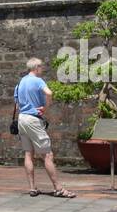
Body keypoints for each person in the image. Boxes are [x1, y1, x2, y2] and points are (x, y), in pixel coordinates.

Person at [12, 58, 75, 198]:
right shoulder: (38, 81)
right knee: (47, 154)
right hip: (34, 119)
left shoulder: (20, 82)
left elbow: (17, 104)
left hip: (22, 118)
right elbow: (49, 93)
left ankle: (32, 188)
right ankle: (58, 188)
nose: (43, 69)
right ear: (36, 67)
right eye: (41, 67)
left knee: (28, 153)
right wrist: (45, 108)